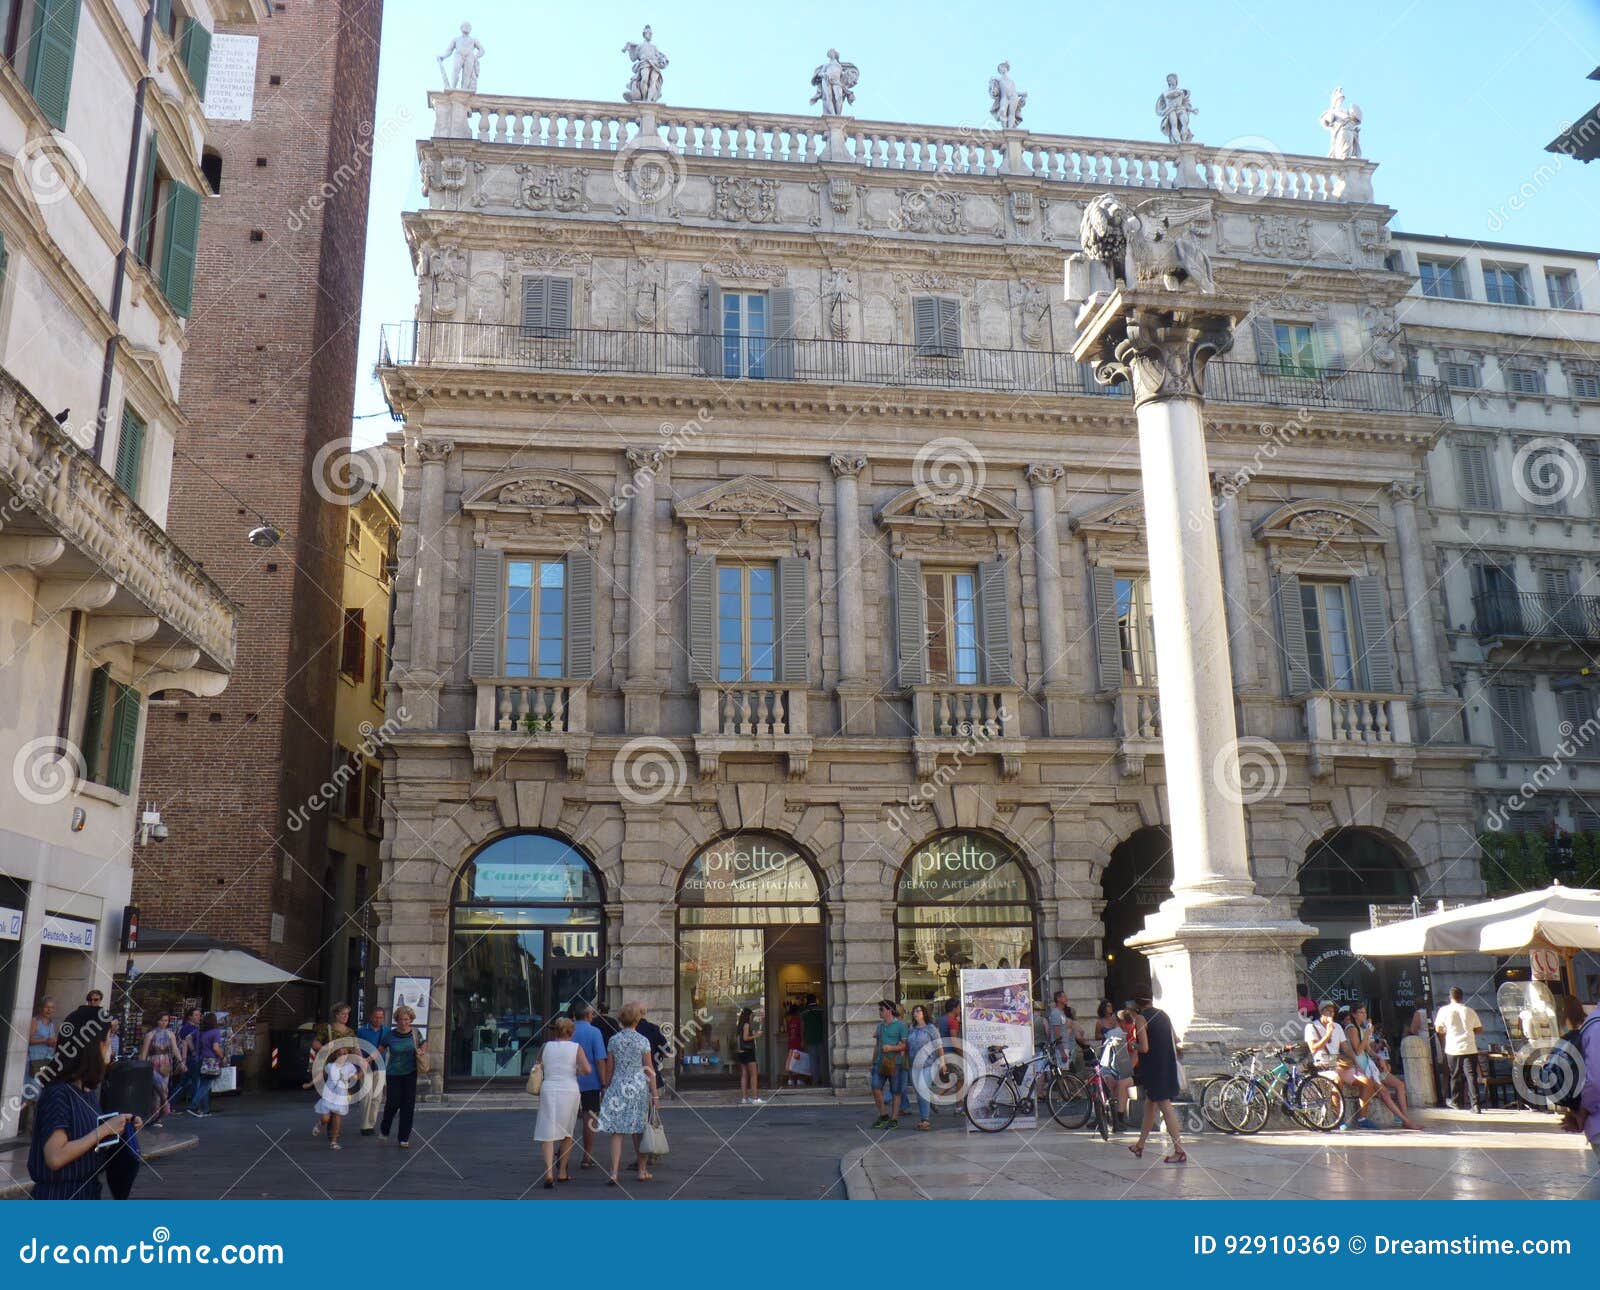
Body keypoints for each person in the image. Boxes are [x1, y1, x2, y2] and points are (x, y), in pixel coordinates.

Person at [27, 1005, 141, 1200]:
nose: (110, 1047)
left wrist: (120, 1127)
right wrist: (104, 1130)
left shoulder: (86, 1092)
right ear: (93, 1045)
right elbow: (55, 1157)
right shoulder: (59, 1094)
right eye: (107, 1039)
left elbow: (85, 1142)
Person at [595, 1002, 658, 1186]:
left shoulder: (614, 1040)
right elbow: (649, 1069)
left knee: (617, 1131)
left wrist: (605, 1086)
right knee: (639, 1130)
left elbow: (609, 1069)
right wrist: (655, 1095)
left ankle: (614, 1173)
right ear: (638, 1019)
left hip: (617, 1088)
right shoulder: (642, 1041)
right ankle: (642, 1170)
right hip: (637, 1089)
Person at [533, 1016, 591, 1188]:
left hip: (549, 1088)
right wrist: (576, 1070)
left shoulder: (545, 1047)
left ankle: (549, 1172)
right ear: (571, 1031)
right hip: (569, 1089)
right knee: (567, 1132)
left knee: (548, 1131)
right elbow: (587, 1069)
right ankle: (563, 1172)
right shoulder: (576, 1048)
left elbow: (537, 1066)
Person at [1127, 996, 1185, 1164]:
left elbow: (1144, 1047)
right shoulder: (1163, 1014)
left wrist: (1133, 1046)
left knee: (1165, 1107)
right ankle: (1140, 1145)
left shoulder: (1140, 1018)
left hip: (1154, 1068)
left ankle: (1179, 1151)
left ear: (1137, 1004)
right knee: (1149, 1106)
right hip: (1167, 1065)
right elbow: (1176, 1039)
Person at [1346, 1003, 1420, 1130]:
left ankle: (1405, 1117)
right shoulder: (1351, 1028)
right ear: (1354, 1014)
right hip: (1362, 1068)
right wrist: (1368, 1034)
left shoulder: (1362, 1028)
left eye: (1365, 1012)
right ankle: (1405, 1121)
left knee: (1400, 1085)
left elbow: (1368, 1049)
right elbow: (1358, 1050)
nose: (1364, 1015)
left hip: (1371, 1065)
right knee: (1384, 1092)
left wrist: (1378, 1057)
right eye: (1361, 1012)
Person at [1306, 1001, 1375, 1128]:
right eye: (1328, 1011)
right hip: (1323, 1063)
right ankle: (1338, 1119)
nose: (1331, 1014)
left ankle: (1362, 1118)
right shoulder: (1312, 1027)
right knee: (1336, 1080)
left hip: (1338, 1062)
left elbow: (1346, 1047)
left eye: (1332, 1012)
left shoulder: (1337, 1026)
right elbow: (1313, 1048)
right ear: (1321, 1012)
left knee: (1367, 1082)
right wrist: (1327, 1034)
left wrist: (1355, 1062)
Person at [377, 1005, 426, 1148]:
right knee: (393, 1103)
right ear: (396, 1020)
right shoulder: (390, 1035)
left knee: (408, 1105)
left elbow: (424, 1044)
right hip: (393, 1074)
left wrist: (422, 1051)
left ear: (411, 1020)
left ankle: (404, 1138)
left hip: (410, 1073)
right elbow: (379, 1050)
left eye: (406, 1019)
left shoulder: (416, 1033)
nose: (403, 1022)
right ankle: (385, 1129)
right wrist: (366, 1061)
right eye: (400, 1019)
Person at [570, 1002, 611, 1168]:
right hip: (591, 1081)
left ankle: (562, 1150)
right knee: (590, 1119)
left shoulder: (568, 1030)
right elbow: (600, 1059)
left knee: (567, 1118)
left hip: (570, 1079)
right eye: (592, 1014)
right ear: (588, 1016)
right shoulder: (594, 1032)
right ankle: (586, 1156)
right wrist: (603, 1082)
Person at [1434, 986, 1484, 1113]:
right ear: (1462, 997)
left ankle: (1456, 1101)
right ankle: (1476, 1104)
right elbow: (1479, 1029)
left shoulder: (1444, 1010)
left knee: (1455, 1074)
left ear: (1450, 997)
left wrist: (1448, 1030)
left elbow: (1438, 1029)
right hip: (1470, 1047)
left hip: (1453, 1047)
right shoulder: (1470, 1010)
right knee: (1471, 1075)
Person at [869, 1000, 909, 1130]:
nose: (879, 1012)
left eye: (881, 1009)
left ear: (889, 1010)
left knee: (896, 1091)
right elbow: (877, 1045)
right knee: (875, 1087)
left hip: (895, 1062)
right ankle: (884, 1115)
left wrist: (891, 1048)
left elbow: (905, 1045)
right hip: (880, 1062)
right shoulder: (880, 1026)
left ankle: (894, 1119)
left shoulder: (901, 1026)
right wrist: (873, 1062)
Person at [905, 1004, 946, 1131]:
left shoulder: (931, 1028)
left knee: (922, 1089)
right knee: (919, 1093)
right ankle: (931, 1100)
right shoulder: (911, 1028)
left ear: (924, 1013)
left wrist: (942, 1063)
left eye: (918, 1011)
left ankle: (925, 1120)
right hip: (914, 1065)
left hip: (928, 1064)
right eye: (914, 1011)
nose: (915, 1013)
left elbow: (939, 1046)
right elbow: (908, 1046)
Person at [139, 1012, 181, 1123]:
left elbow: (175, 1049)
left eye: (166, 1020)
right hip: (153, 1063)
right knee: (156, 1090)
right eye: (161, 1020)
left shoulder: (171, 1034)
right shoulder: (150, 1035)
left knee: (164, 1089)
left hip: (166, 1063)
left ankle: (158, 1115)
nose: (164, 1023)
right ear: (157, 1021)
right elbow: (144, 1052)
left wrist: (181, 1061)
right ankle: (156, 1114)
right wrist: (141, 1066)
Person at [315, 1045, 358, 1149]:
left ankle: (334, 1141)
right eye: (339, 1054)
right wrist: (311, 1083)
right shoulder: (330, 1066)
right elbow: (320, 1076)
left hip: (341, 1095)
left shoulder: (350, 1066)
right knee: (326, 1118)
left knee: (337, 1118)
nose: (342, 1056)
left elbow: (355, 1077)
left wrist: (358, 1073)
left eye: (344, 1054)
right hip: (329, 1094)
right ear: (335, 1055)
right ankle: (319, 1124)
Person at [357, 1006, 389, 1136]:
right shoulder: (362, 1031)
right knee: (366, 1096)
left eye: (381, 1017)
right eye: (376, 1017)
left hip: (380, 1067)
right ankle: (364, 1125)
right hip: (366, 1066)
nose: (378, 1020)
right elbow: (356, 1048)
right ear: (371, 1017)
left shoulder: (387, 1031)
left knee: (377, 1097)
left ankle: (371, 1124)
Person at [1100, 1013, 1136, 1121]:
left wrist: (1127, 1072)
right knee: (1108, 1081)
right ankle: (1105, 1114)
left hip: (1130, 1071)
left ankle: (1117, 1117)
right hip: (1119, 1068)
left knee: (1120, 1082)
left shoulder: (1131, 1033)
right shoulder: (1119, 1034)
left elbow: (1135, 1056)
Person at [190, 1013, 225, 1119]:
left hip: (201, 1059)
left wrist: (193, 1051)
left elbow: (189, 1038)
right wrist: (222, 1056)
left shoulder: (201, 1031)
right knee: (206, 1084)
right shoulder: (215, 1032)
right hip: (211, 1060)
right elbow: (215, 1047)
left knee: (203, 1084)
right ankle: (193, 1105)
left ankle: (204, 1109)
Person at [174, 1007, 202, 1111]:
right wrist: (185, 1059)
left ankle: (171, 1103)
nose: (199, 1017)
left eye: (199, 1015)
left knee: (185, 1082)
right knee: (195, 1081)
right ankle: (194, 1105)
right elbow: (185, 1043)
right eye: (196, 1015)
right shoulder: (187, 1028)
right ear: (190, 1016)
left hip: (193, 1057)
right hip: (191, 1057)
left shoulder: (196, 1027)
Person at [734, 1007, 763, 1105]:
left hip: (741, 1052)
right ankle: (755, 1097)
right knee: (754, 1075)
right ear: (748, 1016)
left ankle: (744, 1098)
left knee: (744, 1074)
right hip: (748, 1051)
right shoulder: (746, 1025)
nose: (751, 1017)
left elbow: (741, 1037)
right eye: (751, 1015)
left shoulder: (740, 1025)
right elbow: (746, 1038)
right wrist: (756, 1035)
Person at [802, 994, 827, 1086]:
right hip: (821, 1037)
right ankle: (824, 1078)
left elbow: (802, 1027)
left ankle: (815, 1080)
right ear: (815, 1000)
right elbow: (825, 1022)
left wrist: (803, 1039)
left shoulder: (804, 1012)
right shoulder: (821, 1010)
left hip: (809, 1038)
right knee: (822, 1059)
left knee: (813, 1060)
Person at [783, 1003, 806, 1086]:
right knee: (799, 1060)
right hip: (798, 1041)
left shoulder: (788, 1020)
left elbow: (785, 1030)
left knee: (790, 1061)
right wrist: (803, 1040)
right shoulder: (800, 1020)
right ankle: (799, 1079)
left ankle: (790, 1079)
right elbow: (802, 1031)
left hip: (790, 1042)